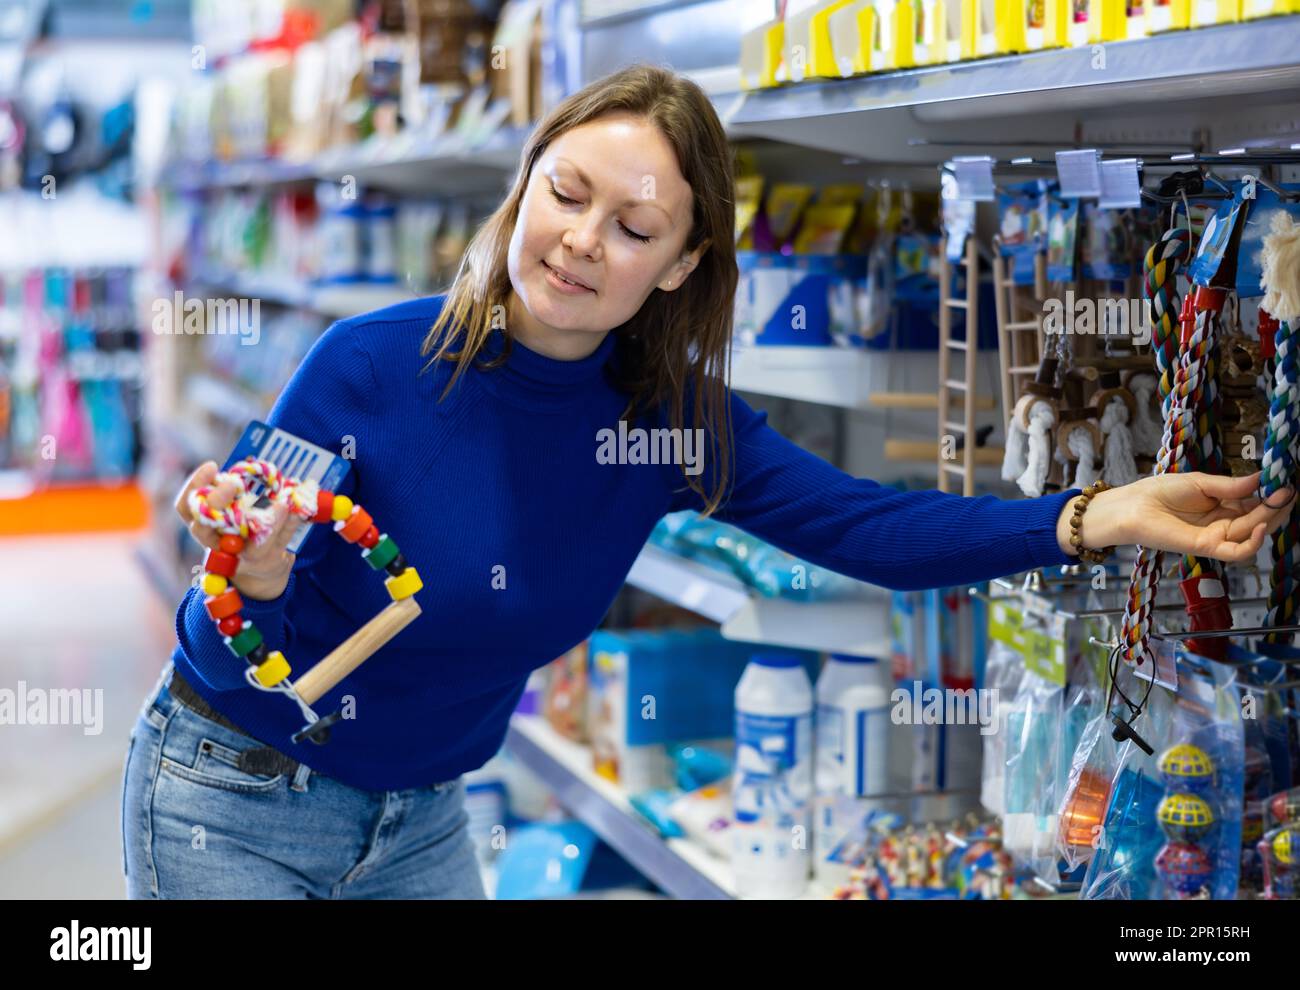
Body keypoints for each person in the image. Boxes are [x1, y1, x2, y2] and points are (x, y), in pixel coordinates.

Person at [121, 63, 1293, 900]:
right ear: (525, 185)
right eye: (566, 194)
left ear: (681, 263)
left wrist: (1098, 515)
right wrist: (255, 564)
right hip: (233, 795)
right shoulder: (366, 363)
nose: (581, 242)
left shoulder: (669, 425)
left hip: (423, 819)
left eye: (633, 228)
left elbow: (870, 529)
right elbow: (228, 594)